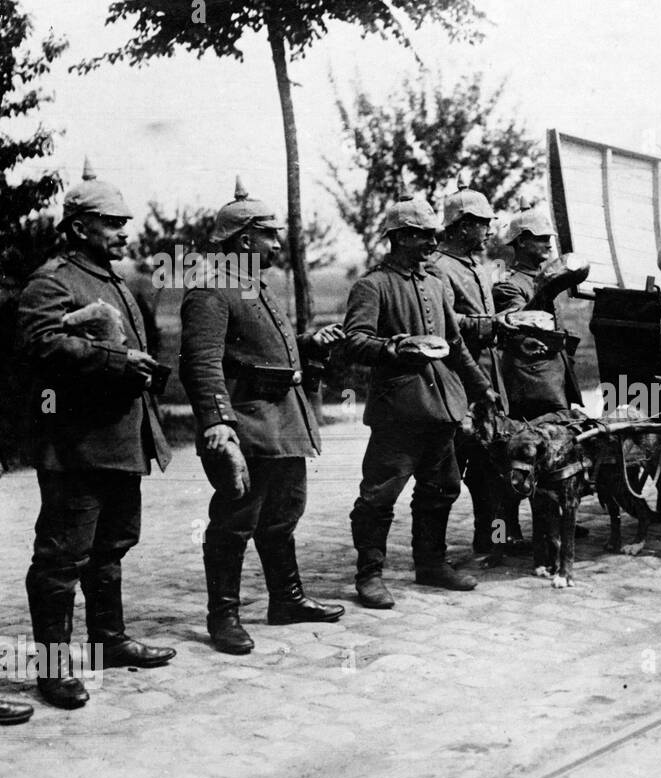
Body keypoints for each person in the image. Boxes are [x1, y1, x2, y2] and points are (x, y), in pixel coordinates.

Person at [16, 158, 175, 711]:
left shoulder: (118, 283)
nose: (124, 232)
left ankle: (108, 642)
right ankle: (51, 669)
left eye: (125, 222)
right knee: (61, 558)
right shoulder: (52, 280)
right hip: (75, 444)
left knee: (112, 546)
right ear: (80, 226)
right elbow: (41, 346)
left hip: (121, 438)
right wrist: (114, 362)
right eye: (112, 222)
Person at [180, 178, 345, 655]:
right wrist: (217, 424)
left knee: (283, 514)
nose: (278, 243)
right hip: (247, 427)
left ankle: (286, 599)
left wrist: (310, 344)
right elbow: (202, 362)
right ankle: (223, 616)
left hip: (284, 423)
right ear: (245, 239)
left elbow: (266, 348)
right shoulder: (211, 289)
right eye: (270, 234)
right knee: (236, 520)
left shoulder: (254, 286)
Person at [343, 194, 497, 607]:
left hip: (442, 408)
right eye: (422, 236)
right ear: (399, 238)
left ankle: (431, 564)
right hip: (399, 413)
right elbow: (355, 341)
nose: (432, 242)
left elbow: (455, 343)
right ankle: (369, 575)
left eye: (432, 234)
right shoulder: (373, 286)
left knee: (442, 488)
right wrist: (394, 348)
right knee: (379, 496)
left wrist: (482, 387)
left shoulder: (433, 283)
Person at [431, 189, 508, 554]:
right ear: (462, 227)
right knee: (448, 471)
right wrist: (489, 325)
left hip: (486, 380)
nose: (489, 230)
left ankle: (491, 542)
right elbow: (445, 324)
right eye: (482, 223)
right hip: (455, 381)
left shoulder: (478, 265)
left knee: (490, 467)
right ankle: (433, 555)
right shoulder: (439, 267)